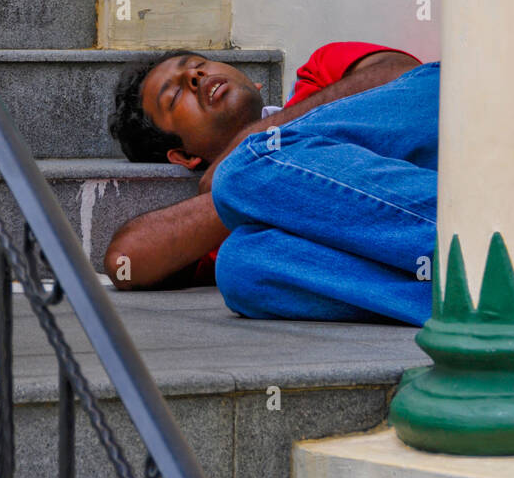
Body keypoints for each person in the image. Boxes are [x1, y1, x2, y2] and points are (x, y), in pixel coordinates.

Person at [106, 43, 439, 325]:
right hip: (433, 254)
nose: (195, 76)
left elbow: (399, 75)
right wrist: (247, 187)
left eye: (198, 66)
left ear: (254, 82)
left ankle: (474, 242)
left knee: (243, 170)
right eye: (177, 94)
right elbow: (127, 261)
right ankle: (468, 291)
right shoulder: (229, 210)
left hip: (449, 129)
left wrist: (251, 148)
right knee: (241, 268)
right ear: (182, 156)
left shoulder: (319, 72)